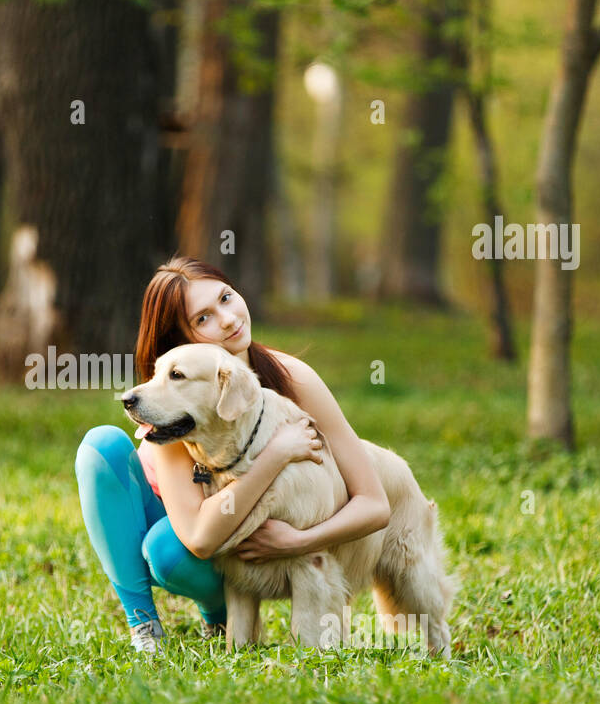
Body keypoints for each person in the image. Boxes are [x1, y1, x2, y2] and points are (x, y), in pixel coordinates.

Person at [74, 257, 391, 653]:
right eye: (203, 319)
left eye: (226, 298)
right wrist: (275, 454)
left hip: (246, 543)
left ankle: (221, 621)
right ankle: (145, 627)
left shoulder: (294, 378)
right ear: (182, 340)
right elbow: (199, 538)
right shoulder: (171, 405)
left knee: (168, 548)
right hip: (191, 537)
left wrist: (300, 541)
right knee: (104, 456)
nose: (227, 319)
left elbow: (375, 505)